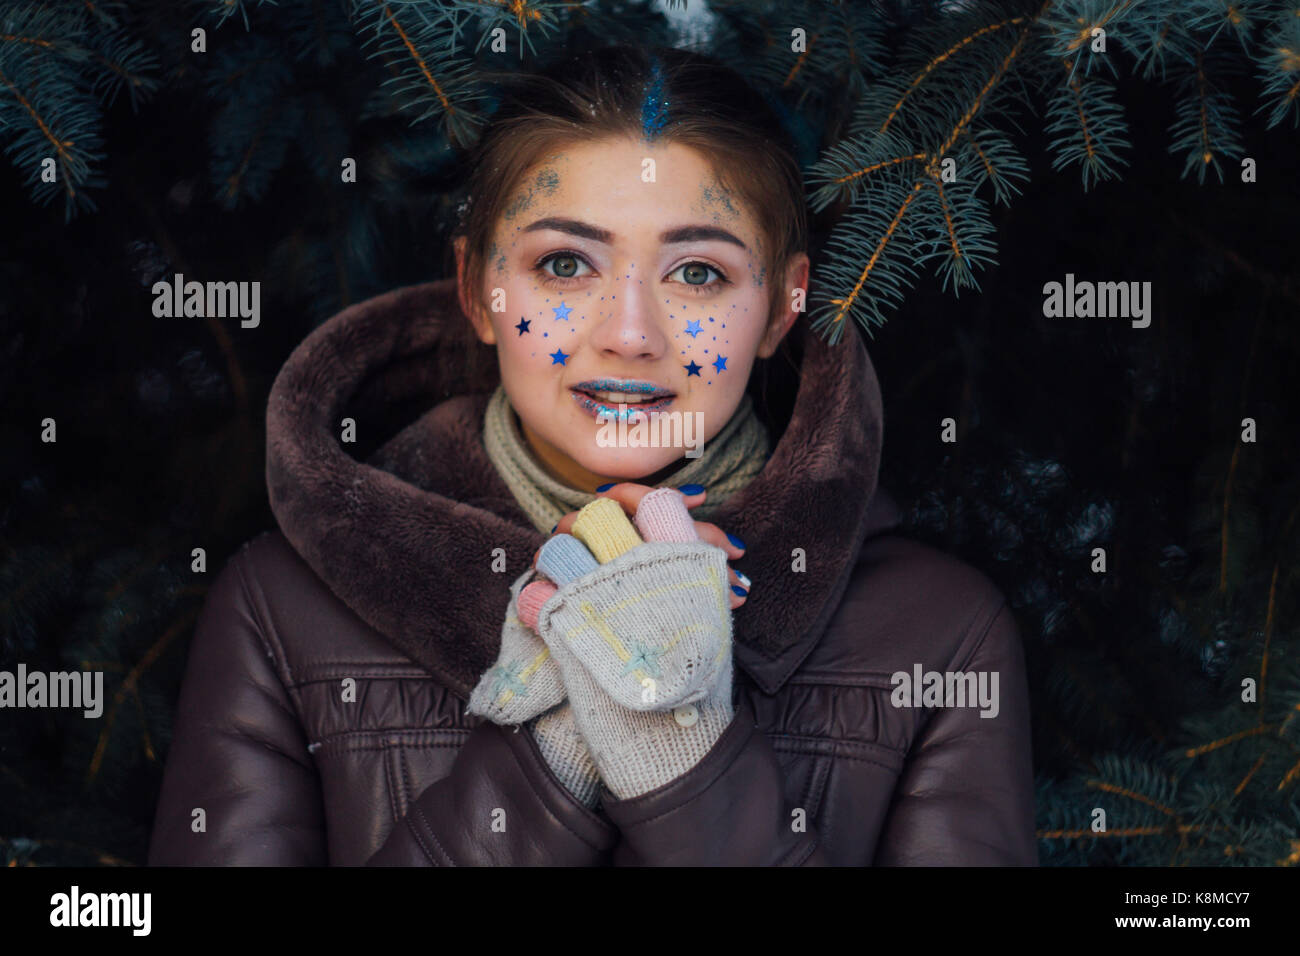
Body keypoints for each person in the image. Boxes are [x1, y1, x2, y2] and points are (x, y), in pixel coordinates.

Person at [148, 44, 1036, 866]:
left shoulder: (943, 636)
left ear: (782, 308)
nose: (629, 335)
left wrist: (677, 756)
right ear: (478, 289)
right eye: (566, 265)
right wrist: (551, 753)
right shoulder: (281, 606)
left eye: (698, 274)